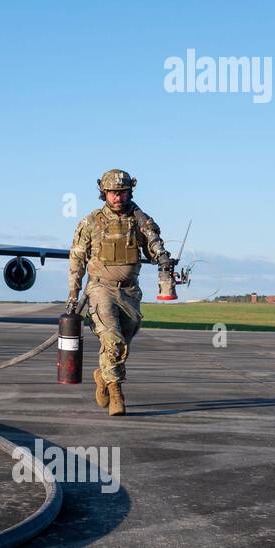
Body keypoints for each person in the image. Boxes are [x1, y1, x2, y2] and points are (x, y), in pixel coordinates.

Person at [66, 169, 171, 416]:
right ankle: (116, 393)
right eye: (113, 193)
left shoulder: (140, 220)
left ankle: (103, 375)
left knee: (123, 343)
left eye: (122, 193)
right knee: (112, 341)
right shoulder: (90, 222)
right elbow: (76, 260)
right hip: (101, 289)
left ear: (129, 192)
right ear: (104, 193)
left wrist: (162, 258)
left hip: (130, 293)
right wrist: (73, 294)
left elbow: (154, 245)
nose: (118, 198)